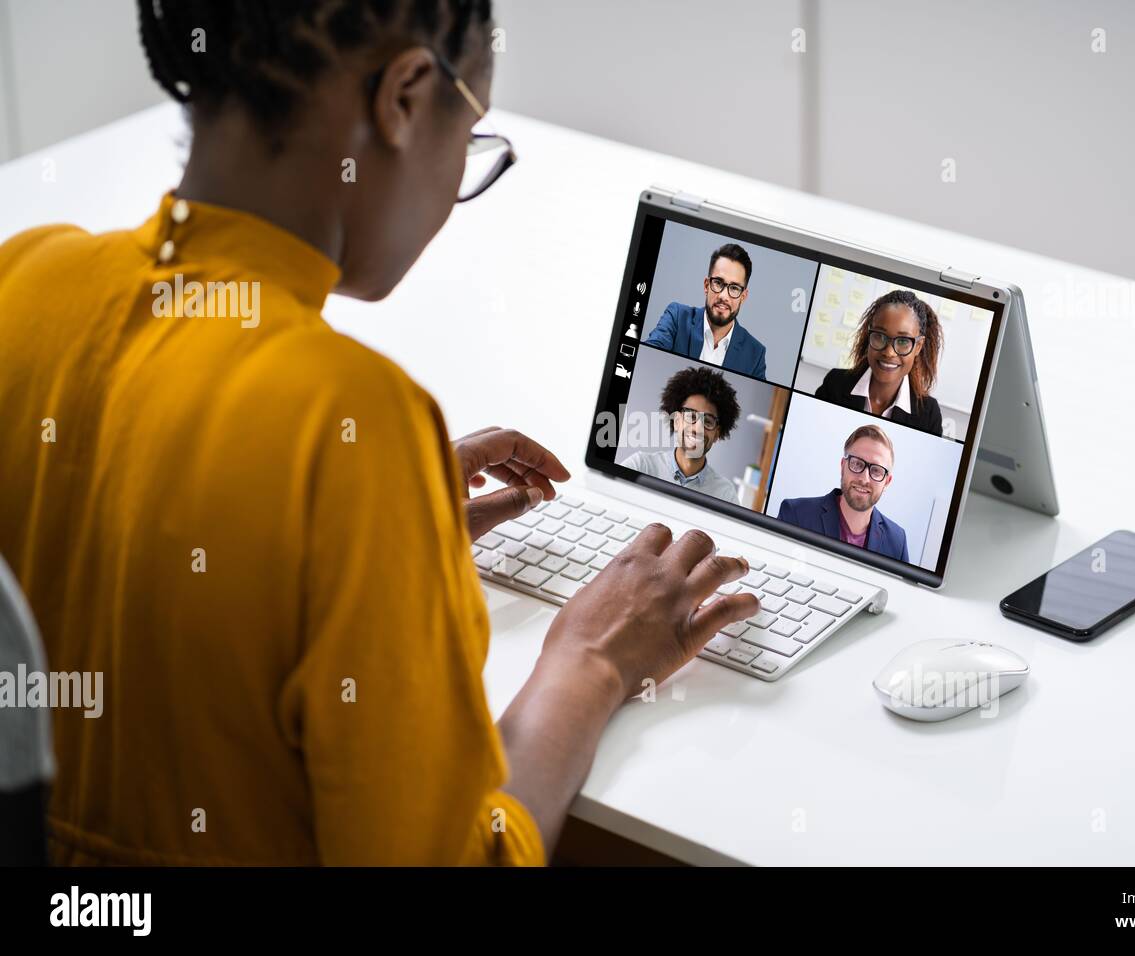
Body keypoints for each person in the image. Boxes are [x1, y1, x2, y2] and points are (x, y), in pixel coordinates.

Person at [0, 0, 760, 866]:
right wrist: (592, 661)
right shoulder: (352, 421)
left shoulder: (22, 279)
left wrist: (374, 532)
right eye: (470, 144)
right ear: (403, 96)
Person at [814, 289, 944, 436]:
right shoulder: (835, 385)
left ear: (918, 347)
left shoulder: (928, 414)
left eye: (903, 341)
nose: (889, 352)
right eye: (880, 336)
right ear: (869, 335)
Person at [777, 424, 909, 562]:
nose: (864, 479)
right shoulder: (795, 513)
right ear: (842, 466)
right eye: (857, 464)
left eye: (876, 471)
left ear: (887, 482)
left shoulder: (897, 541)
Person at [643, 243, 768, 379]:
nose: (723, 296)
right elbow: (646, 360)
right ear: (706, 285)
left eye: (734, 288)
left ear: (743, 297)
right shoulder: (677, 317)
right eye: (718, 283)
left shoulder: (755, 354)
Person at [619, 366, 740, 503]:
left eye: (708, 421)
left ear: (717, 434)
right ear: (676, 421)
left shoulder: (725, 493)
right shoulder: (641, 465)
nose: (697, 428)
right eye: (691, 416)